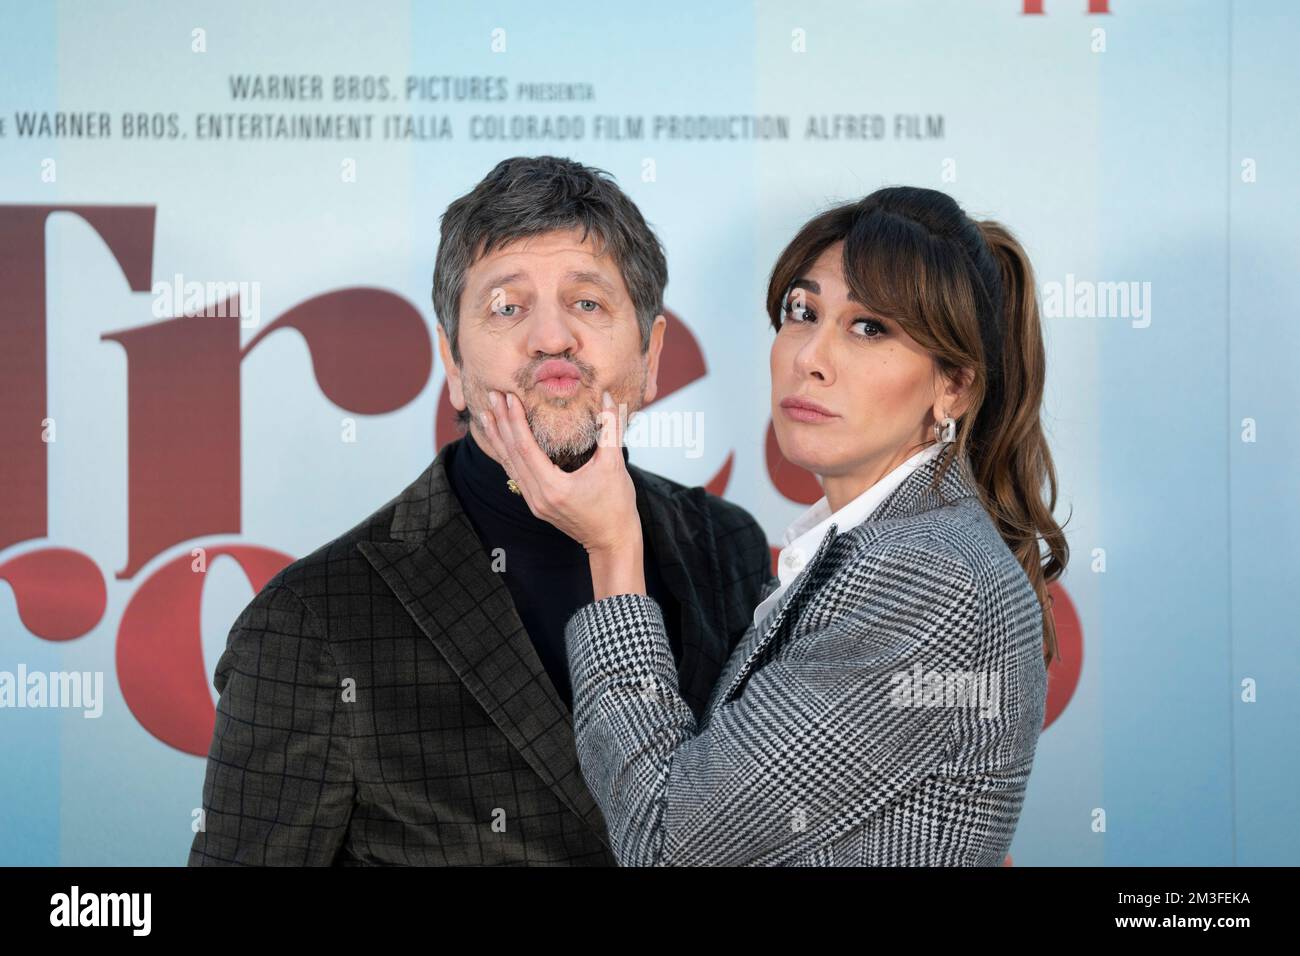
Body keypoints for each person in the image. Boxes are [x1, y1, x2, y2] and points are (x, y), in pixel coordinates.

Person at [187, 156, 773, 866]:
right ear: (454, 365)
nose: (552, 339)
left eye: (588, 303)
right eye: (507, 307)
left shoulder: (729, 550)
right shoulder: (312, 625)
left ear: (651, 358)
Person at [479, 185, 1069, 866]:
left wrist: (612, 548)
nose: (809, 357)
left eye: (869, 327)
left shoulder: (930, 577)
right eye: (802, 311)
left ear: (954, 386)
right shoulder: (872, 548)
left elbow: (669, 845)